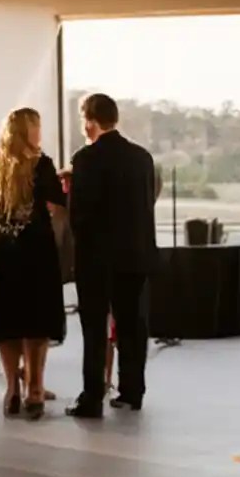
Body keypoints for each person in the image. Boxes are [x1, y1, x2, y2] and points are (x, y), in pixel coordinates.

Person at [66, 94, 157, 418]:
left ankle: (92, 397)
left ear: (89, 120)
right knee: (133, 326)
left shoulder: (85, 159)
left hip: (97, 260)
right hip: (135, 255)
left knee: (95, 329)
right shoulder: (142, 158)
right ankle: (132, 391)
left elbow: (80, 216)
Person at [0, 108, 66, 420]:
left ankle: (11, 389)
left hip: (2, 248)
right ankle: (35, 389)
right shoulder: (40, 164)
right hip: (35, 247)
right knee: (36, 322)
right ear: (29, 129)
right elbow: (57, 198)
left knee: (8, 322)